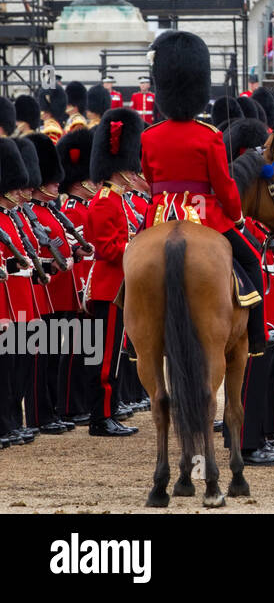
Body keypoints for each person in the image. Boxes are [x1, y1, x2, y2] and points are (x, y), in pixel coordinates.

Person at [140, 31, 274, 355]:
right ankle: (258, 335)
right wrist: (238, 218)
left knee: (133, 270)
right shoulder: (209, 136)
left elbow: (148, 178)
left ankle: (131, 342)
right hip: (206, 216)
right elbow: (225, 186)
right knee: (252, 258)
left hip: (158, 216)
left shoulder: (149, 136)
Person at [80, 109, 146, 437]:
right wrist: (137, 248)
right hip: (109, 288)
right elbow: (108, 250)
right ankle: (100, 418)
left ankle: (109, 411)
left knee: (114, 356)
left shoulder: (116, 200)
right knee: (105, 360)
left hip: (120, 287)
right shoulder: (105, 202)